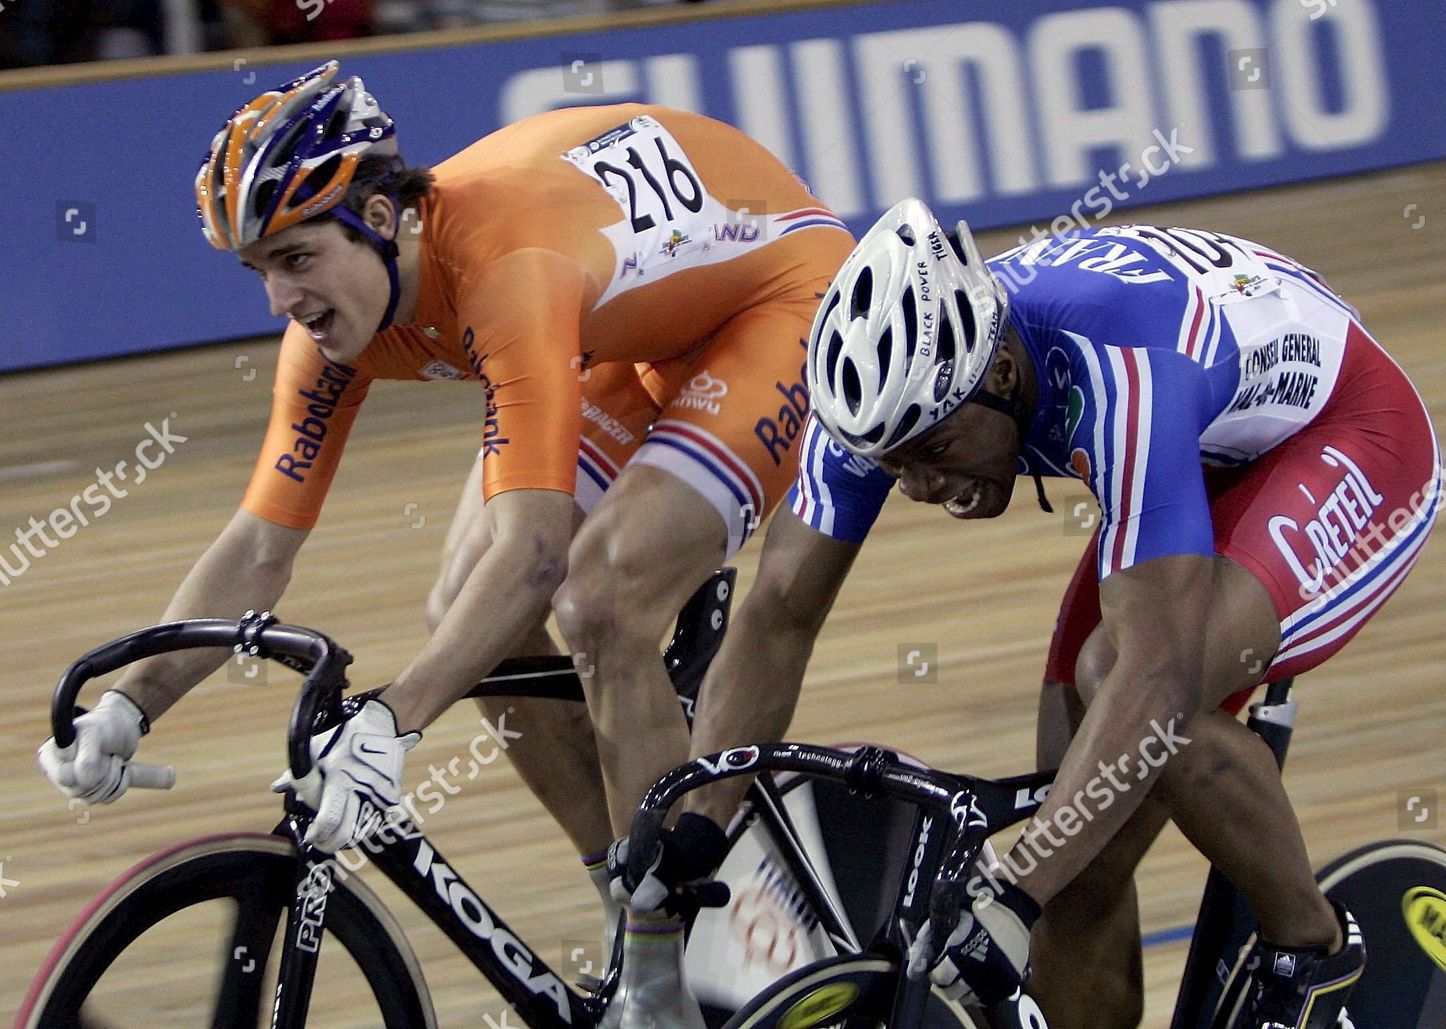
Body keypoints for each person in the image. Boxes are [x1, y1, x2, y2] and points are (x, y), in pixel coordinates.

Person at [37, 60, 853, 1023]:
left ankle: (663, 966)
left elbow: (539, 553)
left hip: (780, 301)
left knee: (595, 595)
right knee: (468, 604)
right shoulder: (338, 326)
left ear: (380, 221)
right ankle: (635, 905)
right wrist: (132, 705)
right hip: (631, 326)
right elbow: (260, 544)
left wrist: (392, 721)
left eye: (296, 258)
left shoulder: (501, 268)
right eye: (259, 269)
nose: (278, 301)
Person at [625, 198, 1440, 1029]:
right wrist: (700, 826)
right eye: (893, 466)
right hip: (1203, 439)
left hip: (1353, 435)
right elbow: (776, 618)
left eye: (935, 453)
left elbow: (1154, 683)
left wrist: (1013, 892)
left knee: (1138, 696)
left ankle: (1315, 955)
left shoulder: (1117, 370)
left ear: (1004, 376)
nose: (918, 488)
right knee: (1077, 854)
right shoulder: (888, 402)